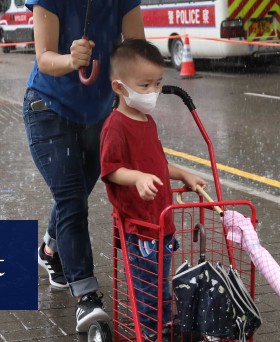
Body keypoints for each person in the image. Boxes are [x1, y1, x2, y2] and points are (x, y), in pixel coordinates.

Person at [23, 0, 145, 333]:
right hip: (48, 110)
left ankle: (51, 249)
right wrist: (70, 57)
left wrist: (144, 81)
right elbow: (44, 59)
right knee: (73, 198)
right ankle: (87, 298)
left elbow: (136, 49)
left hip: (98, 115)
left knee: (73, 194)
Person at [100, 39, 206, 339]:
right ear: (119, 87)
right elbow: (109, 170)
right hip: (140, 226)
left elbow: (157, 165)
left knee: (162, 283)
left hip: (161, 221)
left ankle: (161, 327)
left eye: (158, 84)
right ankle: (150, 332)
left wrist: (182, 174)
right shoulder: (116, 126)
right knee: (148, 287)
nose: (153, 93)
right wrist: (136, 178)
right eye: (144, 85)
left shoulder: (146, 120)